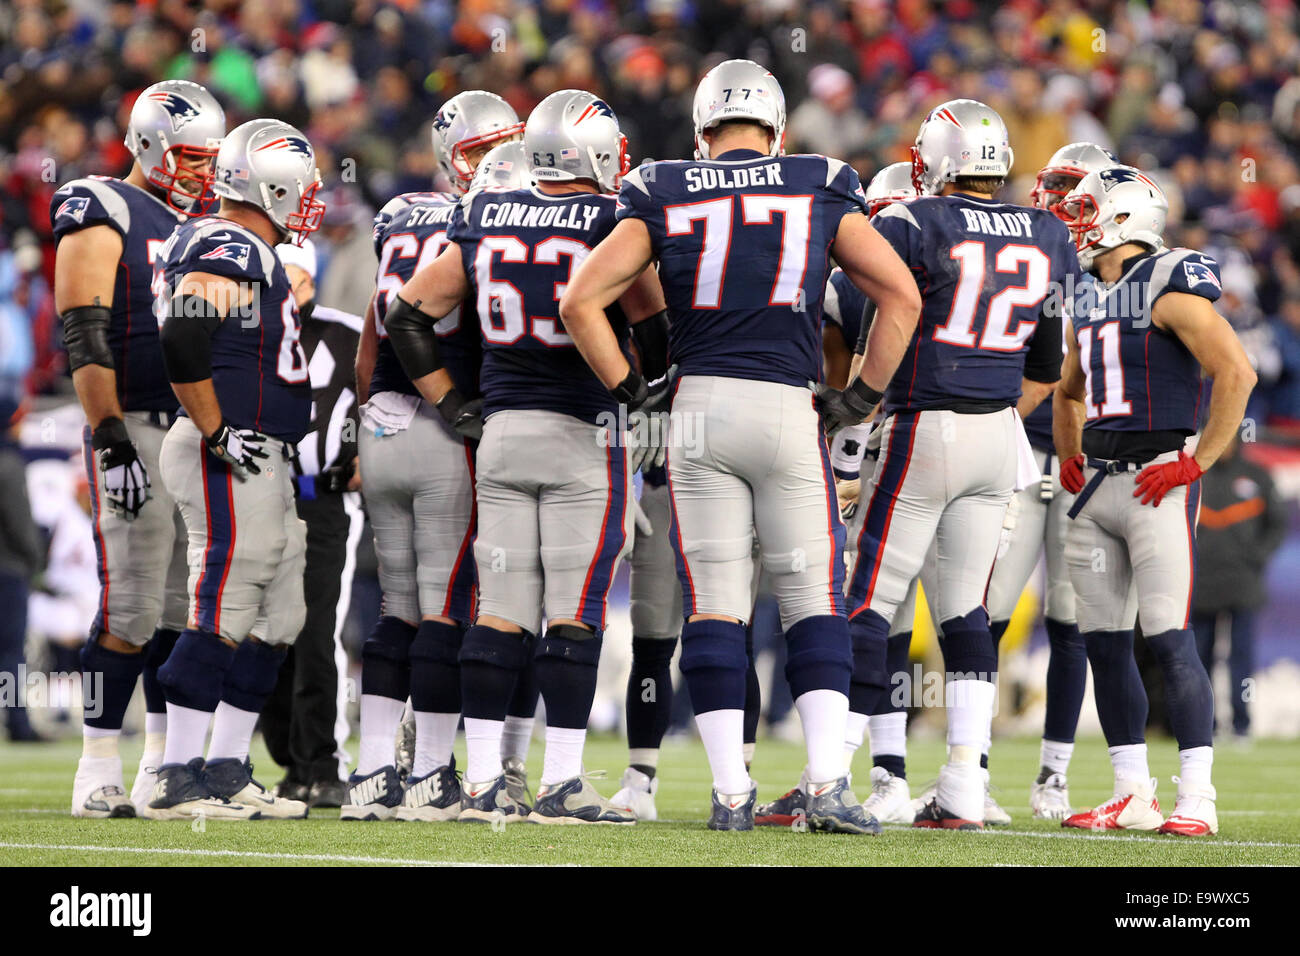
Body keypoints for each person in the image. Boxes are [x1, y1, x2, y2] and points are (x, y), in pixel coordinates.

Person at [559, 59, 921, 832]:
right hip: (788, 405)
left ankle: (730, 794)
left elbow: (581, 299)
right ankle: (827, 784)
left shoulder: (662, 185)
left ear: (703, 130)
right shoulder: (819, 179)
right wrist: (859, 397)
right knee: (811, 600)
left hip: (697, 408)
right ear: (777, 128)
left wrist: (635, 391)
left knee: (714, 605)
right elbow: (901, 295)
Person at [386, 89, 665, 824]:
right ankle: (561, 782)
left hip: (502, 431)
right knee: (572, 613)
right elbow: (654, 323)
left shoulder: (483, 213)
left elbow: (406, 316)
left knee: (500, 611)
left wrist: (452, 403)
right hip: (583, 432)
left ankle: (480, 783)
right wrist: (645, 389)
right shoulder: (613, 216)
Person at [838, 99, 1076, 830]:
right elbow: (1046, 362)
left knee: (870, 602)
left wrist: (857, 409)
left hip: (923, 424)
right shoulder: (1047, 233)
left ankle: (830, 777)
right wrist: (992, 397)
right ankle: (963, 786)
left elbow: (869, 318)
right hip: (1000, 433)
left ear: (934, 160)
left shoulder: (913, 221)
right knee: (966, 611)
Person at [1054, 165, 1257, 836]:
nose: (1078, 219)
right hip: (1101, 485)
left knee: (1170, 639)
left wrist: (1197, 462)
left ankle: (1197, 797)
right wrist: (1068, 453)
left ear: (1125, 215)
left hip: (1155, 481)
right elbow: (1068, 390)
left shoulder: (1169, 282)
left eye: (1088, 207)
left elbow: (1237, 371)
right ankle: (1131, 792)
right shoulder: (1087, 294)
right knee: (1106, 646)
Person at [344, 92, 524, 823]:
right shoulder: (487, 219)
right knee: (447, 611)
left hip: (384, 427)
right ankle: (426, 776)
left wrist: (370, 414)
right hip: (445, 430)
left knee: (397, 610)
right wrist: (458, 405)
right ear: (457, 162)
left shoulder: (398, 216)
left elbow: (370, 339)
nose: (502, 165)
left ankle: (370, 775)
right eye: (487, 153)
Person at [51, 79, 226, 818]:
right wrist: (110, 436)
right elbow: (84, 327)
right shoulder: (103, 203)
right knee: (129, 604)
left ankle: (162, 765)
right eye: (189, 156)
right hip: (135, 425)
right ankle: (95, 766)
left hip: (192, 431)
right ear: (150, 146)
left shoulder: (207, 223)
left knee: (182, 611)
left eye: (210, 158)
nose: (202, 171)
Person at [147, 118, 325, 820]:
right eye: (302, 187)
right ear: (273, 185)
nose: (310, 199)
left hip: (261, 451)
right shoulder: (228, 241)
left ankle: (223, 766)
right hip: (231, 445)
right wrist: (217, 429)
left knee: (279, 615)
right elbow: (185, 329)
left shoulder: (249, 246)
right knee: (223, 601)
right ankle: (173, 776)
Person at [990, 141, 1115, 820]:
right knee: (989, 614)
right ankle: (969, 767)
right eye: (1060, 189)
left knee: (1071, 621)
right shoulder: (1023, 255)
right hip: (1014, 456)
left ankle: (1054, 776)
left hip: (1077, 461)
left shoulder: (1123, 273)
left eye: (1078, 191)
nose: (1065, 204)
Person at [260, 237, 363, 809]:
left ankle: (321, 762)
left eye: (293, 282)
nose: (284, 294)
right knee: (269, 630)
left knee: (317, 629)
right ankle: (287, 760)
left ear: (311, 282)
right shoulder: (251, 329)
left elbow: (387, 396)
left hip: (321, 500)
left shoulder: (347, 333)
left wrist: (367, 452)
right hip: (263, 496)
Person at [1190, 431, 1285, 741]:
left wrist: (1256, 556)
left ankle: (1241, 725)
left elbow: (1277, 523)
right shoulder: (1194, 476)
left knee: (1241, 658)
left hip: (1243, 582)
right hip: (1202, 581)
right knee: (1200, 657)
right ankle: (1206, 725)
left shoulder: (1257, 476)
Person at [0, 397, 44, 742]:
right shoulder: (9, 464)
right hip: (8, 570)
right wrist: (35, 561)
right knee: (12, 651)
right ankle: (17, 722)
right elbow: (20, 525)